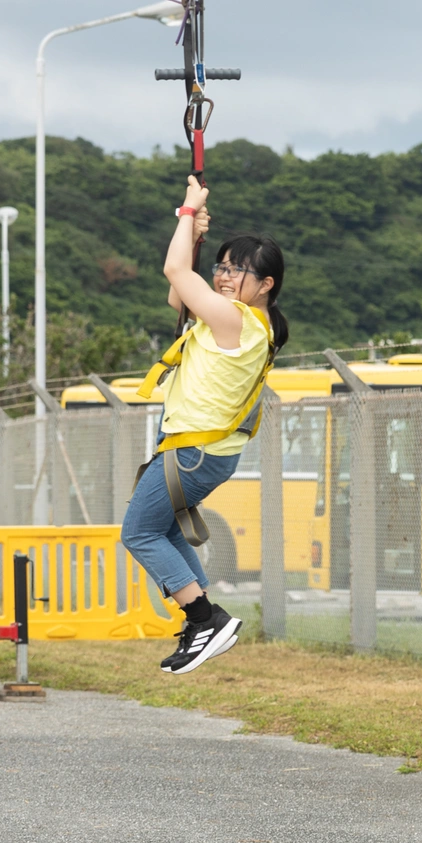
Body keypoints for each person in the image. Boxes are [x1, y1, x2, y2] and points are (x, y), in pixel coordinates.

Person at [121, 174, 288, 674]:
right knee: (165, 533)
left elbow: (174, 269)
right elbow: (179, 293)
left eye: (239, 271)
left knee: (139, 534)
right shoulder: (232, 318)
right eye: (222, 267)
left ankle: (205, 619)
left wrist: (187, 212)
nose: (224, 277)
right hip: (198, 452)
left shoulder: (237, 321)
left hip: (193, 453)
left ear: (266, 284)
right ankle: (204, 621)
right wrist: (193, 237)